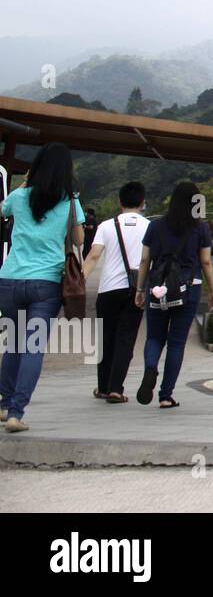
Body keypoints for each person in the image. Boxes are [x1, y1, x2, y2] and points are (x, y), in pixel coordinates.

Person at [0, 143, 84, 433]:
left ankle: (3, 404)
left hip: (9, 280)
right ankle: (15, 413)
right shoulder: (70, 202)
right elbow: (79, 240)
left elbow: (3, 210)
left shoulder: (20, 196)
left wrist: (25, 183)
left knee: (12, 342)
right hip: (46, 283)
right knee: (32, 348)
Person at [133, 181, 213, 408]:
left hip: (157, 288)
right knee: (177, 343)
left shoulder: (155, 226)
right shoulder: (201, 228)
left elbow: (144, 260)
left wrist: (140, 290)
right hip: (188, 288)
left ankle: (151, 367)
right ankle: (165, 395)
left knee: (154, 337)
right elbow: (206, 261)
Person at [82, 181, 149, 403]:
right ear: (142, 203)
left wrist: (79, 281)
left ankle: (102, 387)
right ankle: (115, 389)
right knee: (125, 339)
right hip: (135, 289)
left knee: (105, 339)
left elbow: (93, 256)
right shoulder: (150, 226)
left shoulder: (106, 226)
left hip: (108, 289)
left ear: (119, 202)